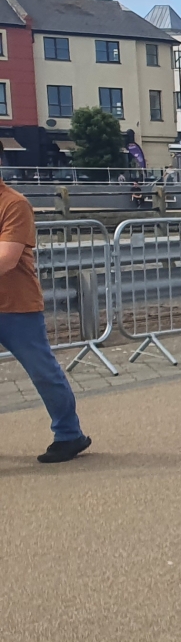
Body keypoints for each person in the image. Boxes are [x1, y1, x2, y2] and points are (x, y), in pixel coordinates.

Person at [0, 178, 90, 463]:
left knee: (43, 372)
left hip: (16, 306)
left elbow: (7, 257)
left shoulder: (14, 204)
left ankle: (69, 434)